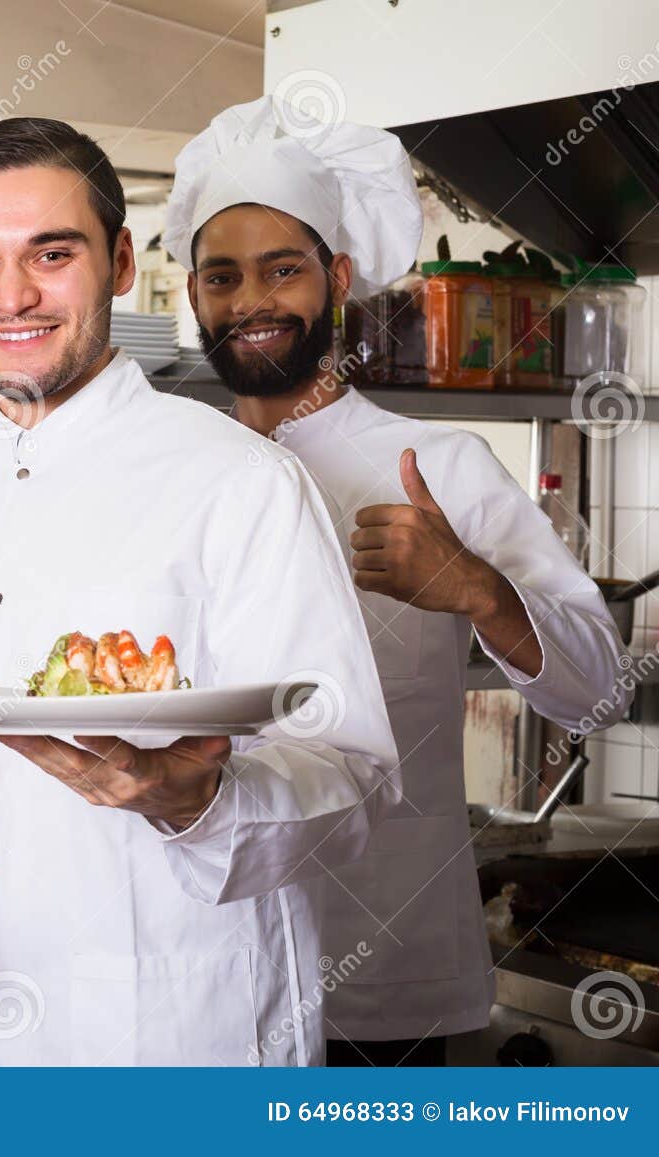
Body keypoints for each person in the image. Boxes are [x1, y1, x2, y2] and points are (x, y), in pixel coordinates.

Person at [0, 116, 402, 1066]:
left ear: (124, 262)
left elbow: (351, 777)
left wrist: (196, 800)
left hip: (175, 1035)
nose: (11, 295)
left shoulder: (238, 481)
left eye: (51, 254)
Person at [166, 95, 634, 1066]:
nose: (249, 299)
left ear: (336, 278)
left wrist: (476, 588)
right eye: (221, 275)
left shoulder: (443, 466)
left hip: (384, 980)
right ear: (193, 292)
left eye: (281, 268)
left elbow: (599, 683)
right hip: (201, 971)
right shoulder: (167, 471)